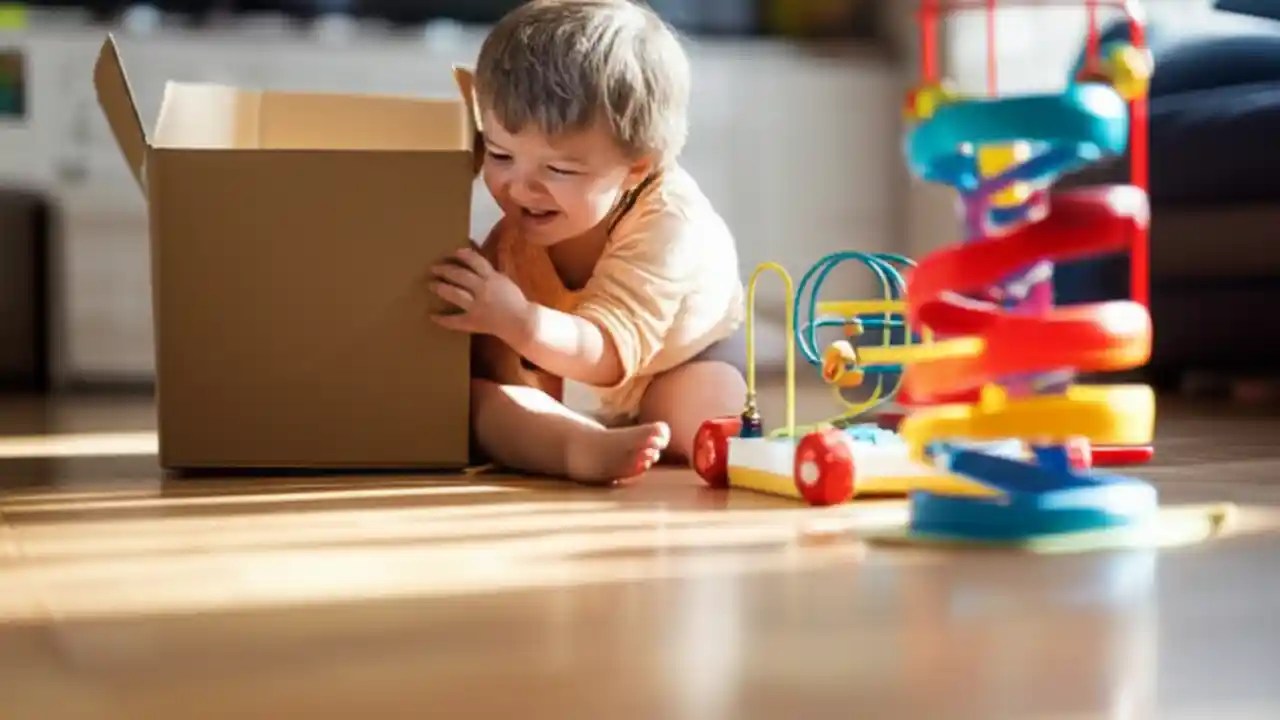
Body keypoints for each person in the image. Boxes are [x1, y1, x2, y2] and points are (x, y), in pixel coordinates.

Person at [429, 0, 747, 484]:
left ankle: (617, 432)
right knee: (472, 402)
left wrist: (515, 318)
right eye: (499, 154)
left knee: (704, 426)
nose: (519, 188)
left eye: (558, 169)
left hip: (677, 357)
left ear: (635, 167)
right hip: (561, 361)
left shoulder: (671, 227)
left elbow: (611, 351)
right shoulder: (525, 220)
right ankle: (578, 447)